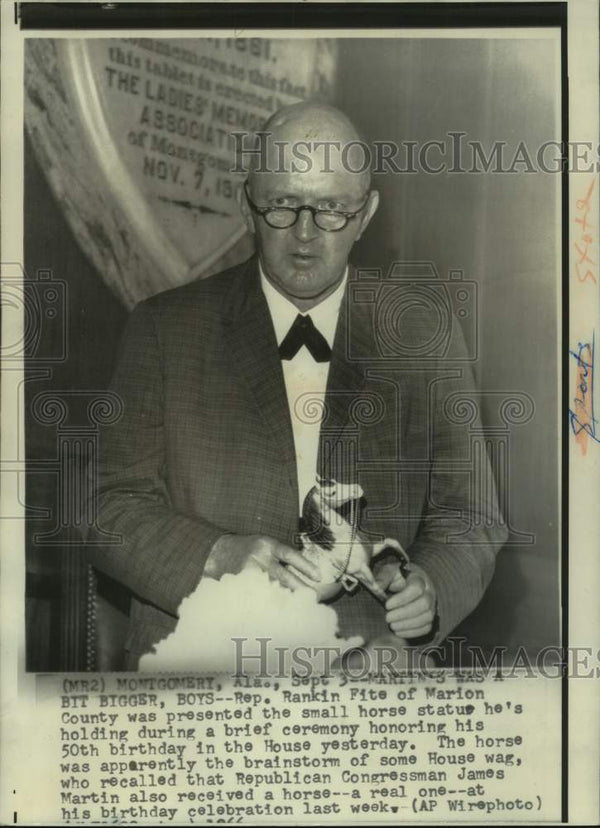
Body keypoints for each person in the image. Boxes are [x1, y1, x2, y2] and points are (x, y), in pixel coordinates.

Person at [89, 102, 507, 669]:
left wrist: (424, 597)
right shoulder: (164, 328)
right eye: (284, 204)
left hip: (373, 673)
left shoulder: (424, 333)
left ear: (367, 214)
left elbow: (472, 518)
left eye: (332, 208)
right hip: (203, 663)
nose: (306, 235)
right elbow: (108, 511)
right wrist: (217, 556)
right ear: (246, 205)